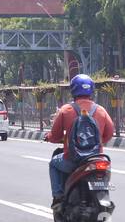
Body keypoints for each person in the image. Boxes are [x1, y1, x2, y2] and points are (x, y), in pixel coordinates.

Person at [44, 74, 115, 208]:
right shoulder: (101, 110)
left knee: (54, 163)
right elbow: (109, 133)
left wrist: (49, 137)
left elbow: (55, 135)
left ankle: (58, 197)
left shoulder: (66, 110)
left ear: (73, 90)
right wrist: (98, 143)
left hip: (73, 159)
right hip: (97, 158)